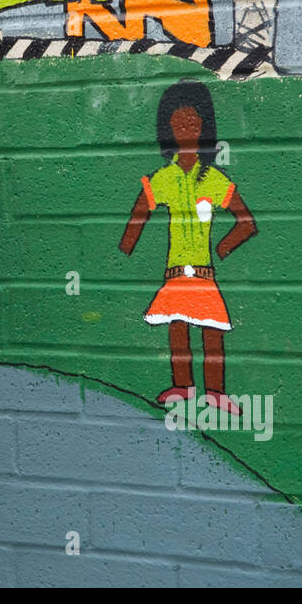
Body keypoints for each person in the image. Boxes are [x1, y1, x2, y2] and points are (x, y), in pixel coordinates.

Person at [118, 80, 256, 415]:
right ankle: (183, 385)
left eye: (192, 124)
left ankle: (216, 392)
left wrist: (224, 247)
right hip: (176, 273)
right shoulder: (163, 178)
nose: (186, 131)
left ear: (204, 128)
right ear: (168, 130)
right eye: (178, 125)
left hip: (204, 273)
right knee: (177, 329)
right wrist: (126, 246)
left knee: (212, 333)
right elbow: (140, 211)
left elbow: (246, 221)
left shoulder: (213, 179)